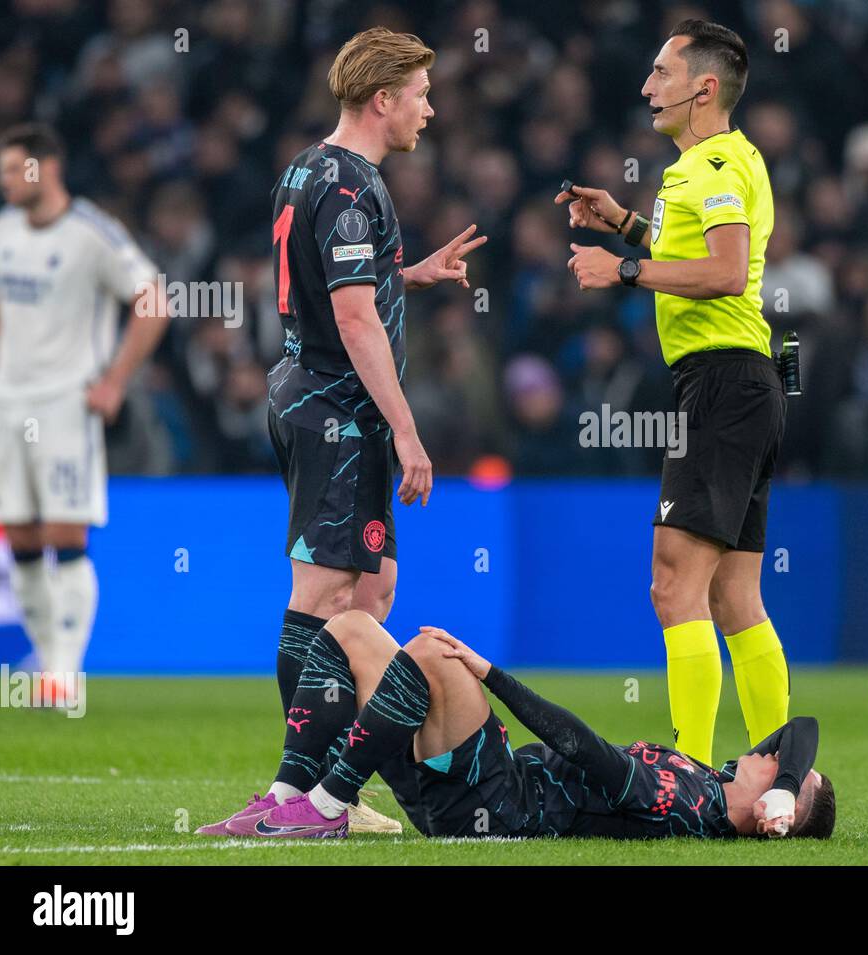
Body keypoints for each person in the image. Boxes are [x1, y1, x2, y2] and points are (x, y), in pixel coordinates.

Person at [265, 27, 485, 831]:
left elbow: (338, 280)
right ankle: (309, 793)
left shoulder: (305, 168)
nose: (430, 108)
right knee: (325, 594)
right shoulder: (357, 185)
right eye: (422, 93)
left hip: (307, 395)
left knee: (371, 590)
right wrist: (408, 431)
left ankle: (324, 787)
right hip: (337, 411)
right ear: (383, 98)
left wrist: (408, 272)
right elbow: (355, 320)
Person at [557, 20, 788, 765]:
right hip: (745, 382)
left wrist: (621, 271)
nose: (647, 87)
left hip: (722, 384)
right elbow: (696, 253)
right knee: (734, 597)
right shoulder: (729, 159)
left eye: (662, 73)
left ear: (704, 88)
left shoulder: (708, 165)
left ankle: (686, 772)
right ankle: (775, 770)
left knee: (672, 585)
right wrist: (625, 226)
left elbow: (724, 270)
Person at [197, 610, 835, 840]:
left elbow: (578, 745)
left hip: (495, 800)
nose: (770, 755)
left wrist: (490, 674)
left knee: (433, 656)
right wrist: (791, 780)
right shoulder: (719, 779)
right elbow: (799, 727)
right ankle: (288, 799)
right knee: (349, 629)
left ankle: (330, 806)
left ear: (773, 816)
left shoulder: (688, 806)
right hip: (474, 782)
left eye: (781, 776)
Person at [0, 122, 166, 703]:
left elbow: (154, 299)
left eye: (15, 169)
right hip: (7, 403)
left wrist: (114, 380)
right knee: (19, 535)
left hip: (65, 402)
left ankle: (64, 669)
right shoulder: (3, 229)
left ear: (47, 168)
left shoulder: (93, 233)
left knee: (65, 530)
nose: (5, 180)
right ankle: (47, 662)